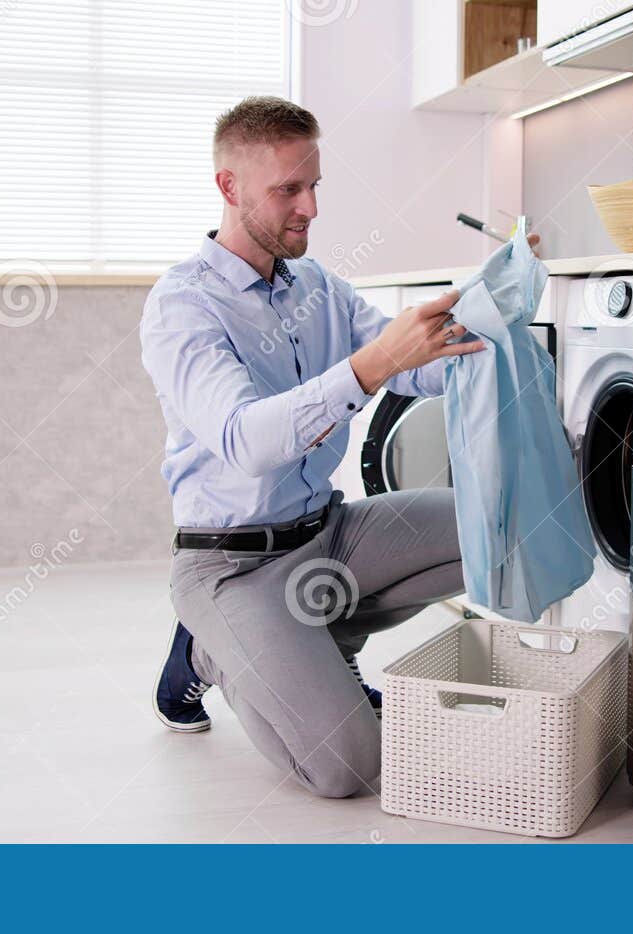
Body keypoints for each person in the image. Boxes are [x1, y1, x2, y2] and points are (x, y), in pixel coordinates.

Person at [139, 96, 538, 798]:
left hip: (328, 535)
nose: (311, 208)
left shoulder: (318, 286)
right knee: (347, 767)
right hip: (232, 567)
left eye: (315, 185)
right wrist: (371, 365)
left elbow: (416, 371)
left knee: (507, 522)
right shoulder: (184, 306)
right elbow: (244, 439)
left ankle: (318, 645)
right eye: (288, 190)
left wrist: (489, 307)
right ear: (229, 187)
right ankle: (209, 650)